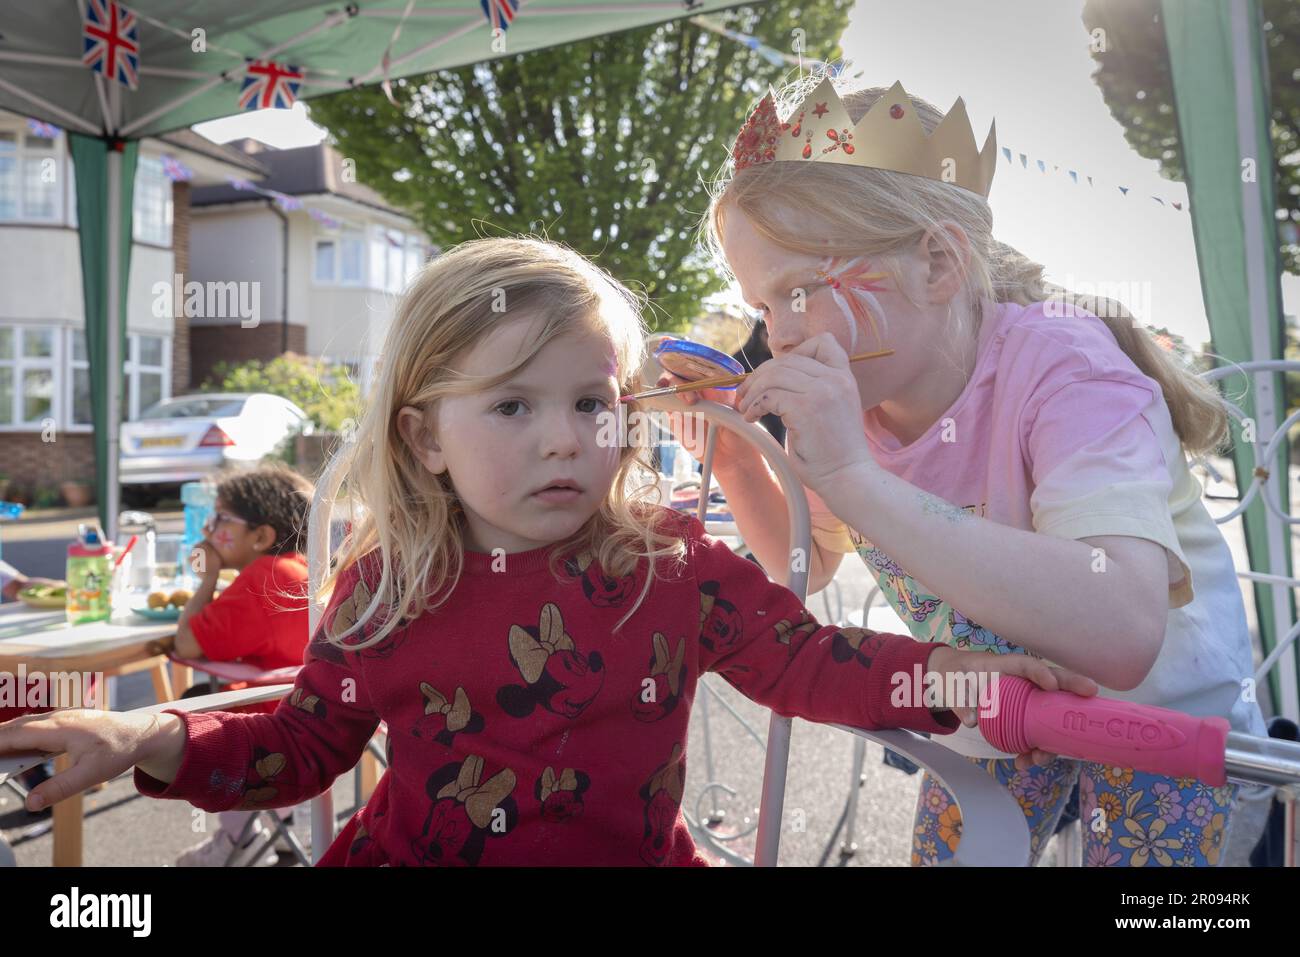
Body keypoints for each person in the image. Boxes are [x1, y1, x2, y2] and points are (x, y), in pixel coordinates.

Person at [0, 237, 1092, 867]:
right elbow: (301, 745)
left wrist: (955, 673)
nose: (566, 434)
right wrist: (146, 729)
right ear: (425, 436)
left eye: (591, 400)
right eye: (513, 405)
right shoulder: (386, 586)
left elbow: (812, 661)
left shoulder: (672, 566)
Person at [661, 75, 1267, 866]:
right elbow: (804, 571)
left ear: (939, 264)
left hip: (1161, 726)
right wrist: (741, 458)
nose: (775, 336)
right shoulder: (862, 406)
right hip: (996, 710)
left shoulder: (1065, 364)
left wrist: (855, 476)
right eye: (762, 306)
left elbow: (1123, 633)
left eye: (799, 290)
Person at [165, 466, 314, 866]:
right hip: (310, 712)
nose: (210, 529)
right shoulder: (297, 566)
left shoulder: (264, 576)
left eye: (220, 519)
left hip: (275, 719)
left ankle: (239, 839)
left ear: (261, 536)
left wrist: (206, 577)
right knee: (204, 699)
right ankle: (288, 826)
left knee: (185, 713)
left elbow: (188, 642)